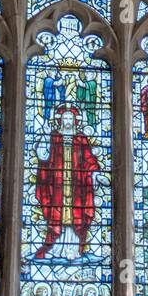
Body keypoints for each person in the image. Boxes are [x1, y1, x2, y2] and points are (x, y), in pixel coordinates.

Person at [34, 105, 100, 259]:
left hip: (77, 185)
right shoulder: (54, 137)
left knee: (75, 213)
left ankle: (74, 249)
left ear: (75, 121)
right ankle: (56, 248)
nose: (68, 121)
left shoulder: (81, 138)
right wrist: (44, 136)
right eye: (65, 118)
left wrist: (95, 174)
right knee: (58, 213)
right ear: (60, 120)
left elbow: (89, 159)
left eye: (71, 118)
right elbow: (43, 157)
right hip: (57, 185)